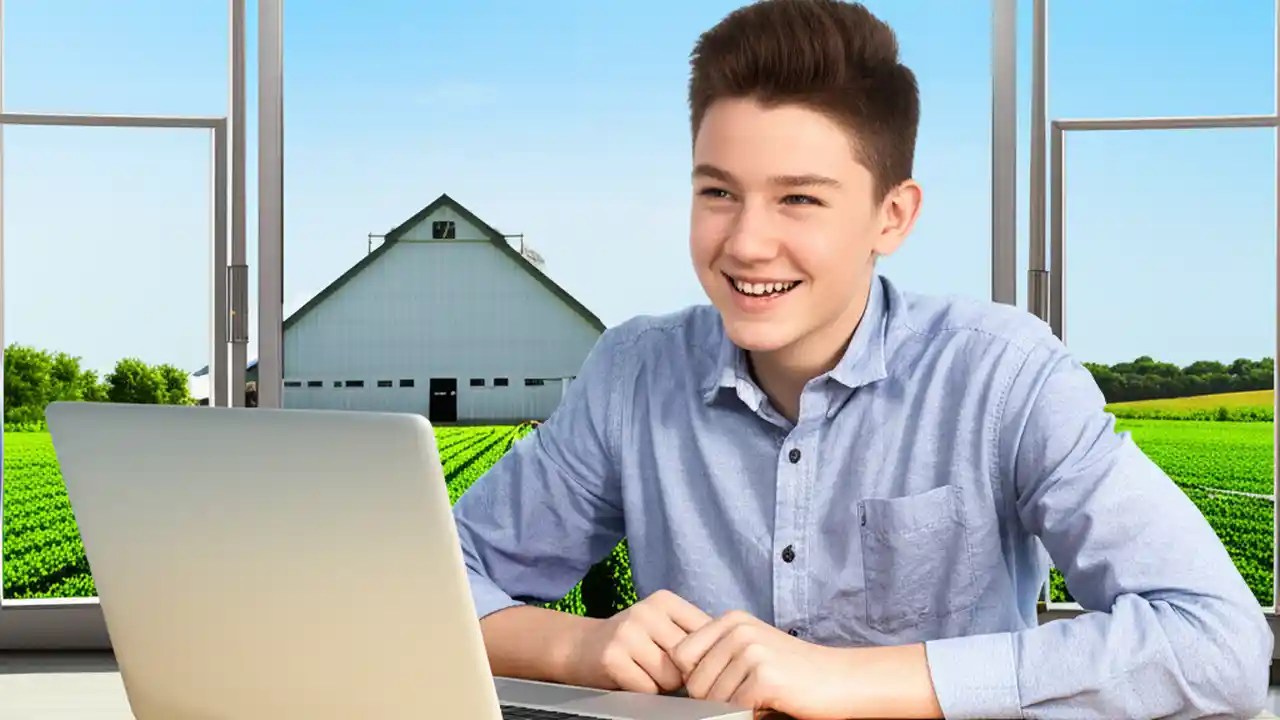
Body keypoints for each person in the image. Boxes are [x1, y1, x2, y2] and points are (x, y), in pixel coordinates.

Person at [450, 1, 1274, 717]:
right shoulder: (635, 372)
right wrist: (580, 649)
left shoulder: (1002, 374)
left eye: (798, 198)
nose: (745, 242)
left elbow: (1217, 642)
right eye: (717, 192)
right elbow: (439, 571)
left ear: (892, 216)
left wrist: (844, 681)